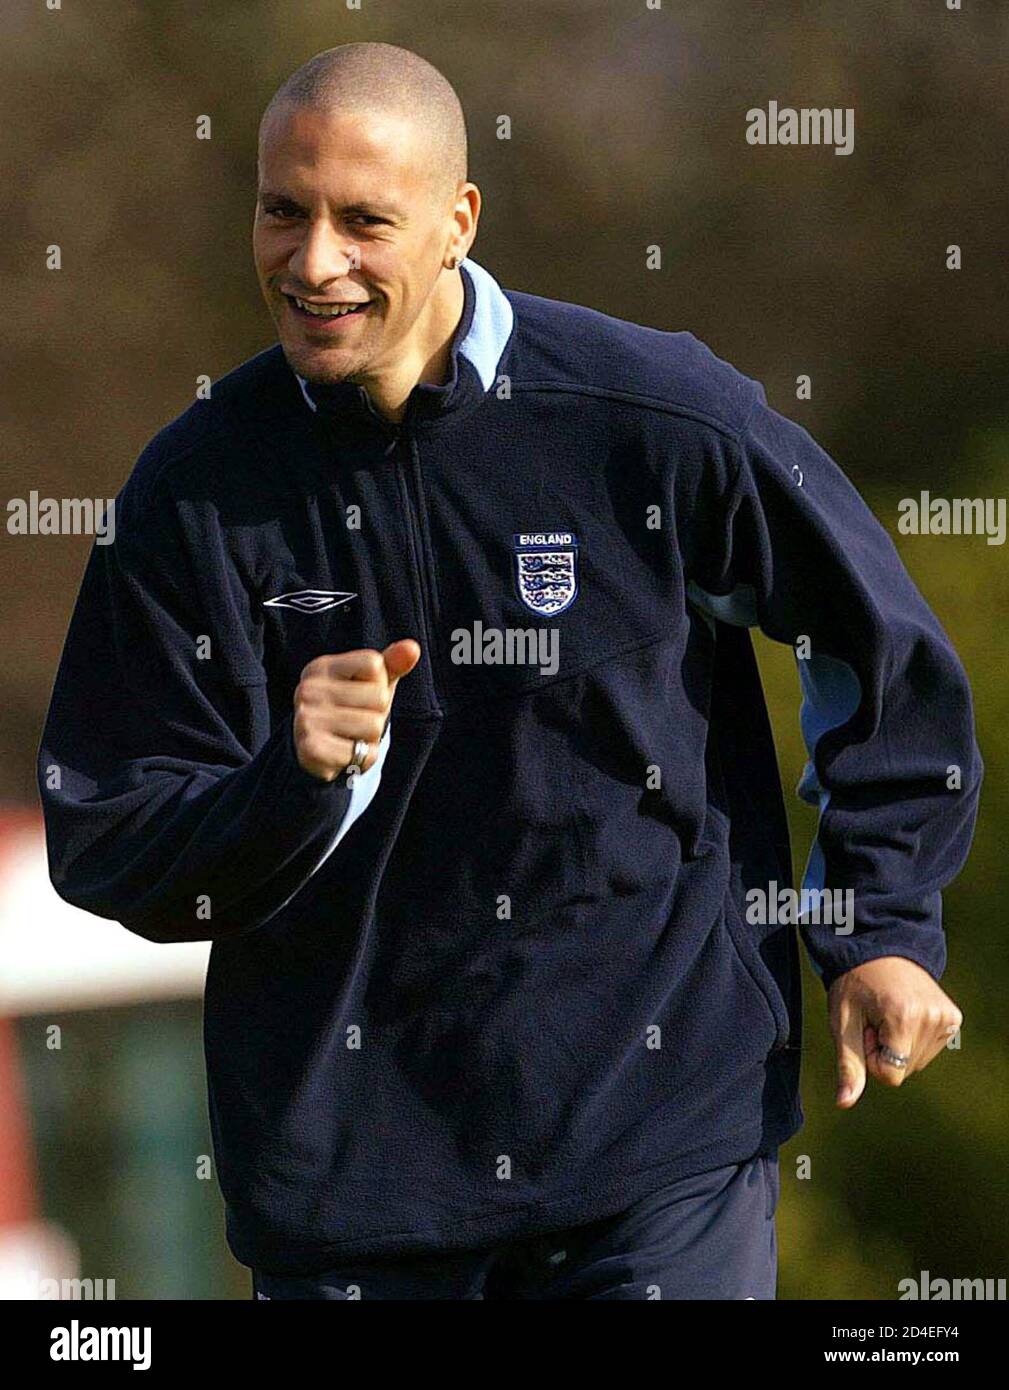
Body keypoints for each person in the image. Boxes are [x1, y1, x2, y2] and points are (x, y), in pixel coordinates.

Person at [38, 42, 982, 1300]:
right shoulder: (192, 495)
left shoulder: (651, 417)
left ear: (456, 221)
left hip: (656, 1152)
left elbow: (877, 646)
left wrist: (880, 924)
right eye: (282, 211)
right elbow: (107, 833)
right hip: (352, 1200)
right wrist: (288, 782)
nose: (314, 263)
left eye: (363, 220)